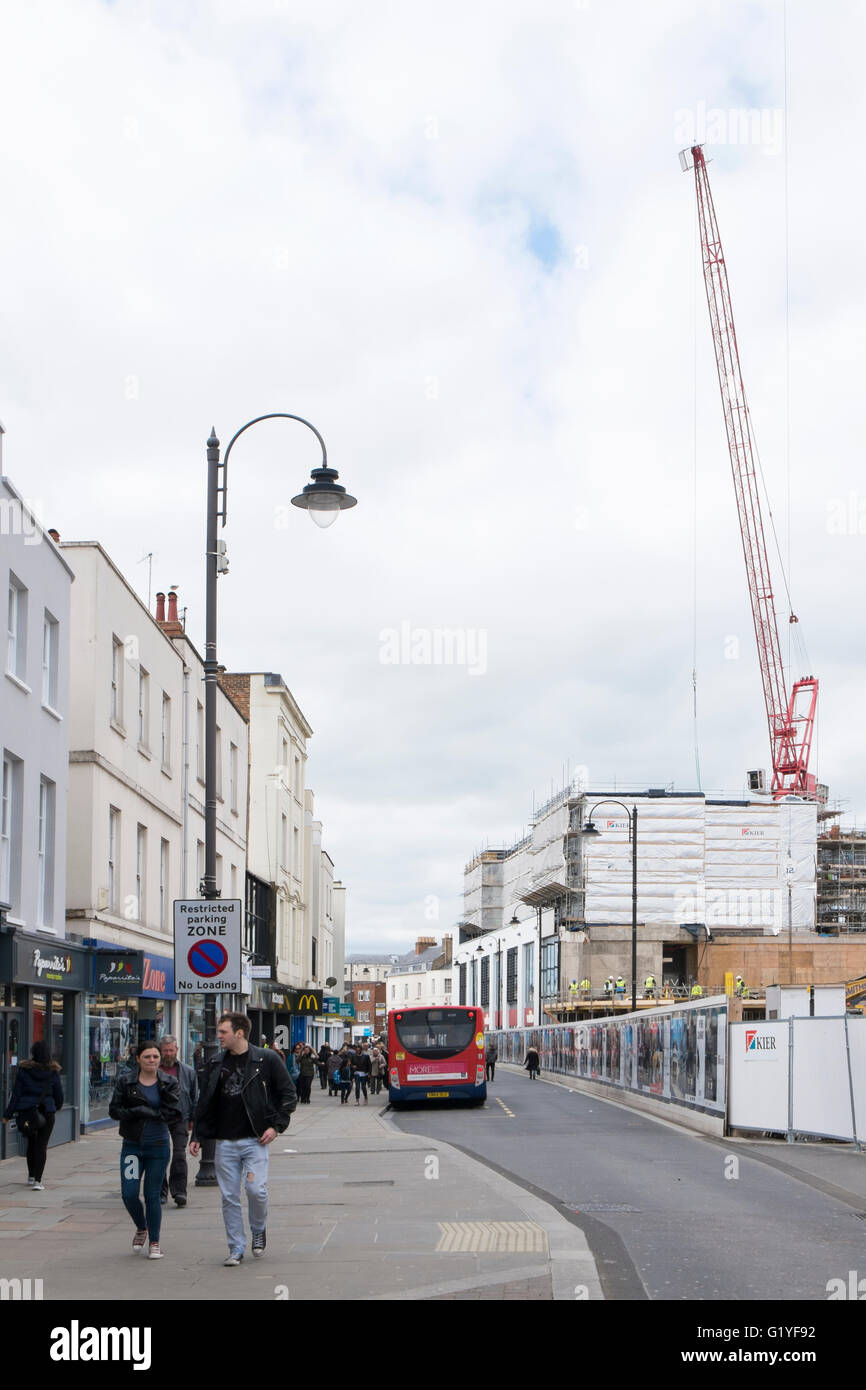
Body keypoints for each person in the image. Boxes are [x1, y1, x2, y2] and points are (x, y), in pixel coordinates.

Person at [190, 1012, 296, 1266]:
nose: (219, 1036)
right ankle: (236, 1247)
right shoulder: (216, 1062)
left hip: (255, 1140)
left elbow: (288, 1093)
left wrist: (277, 1126)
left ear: (239, 1032)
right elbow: (205, 1102)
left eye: (223, 1032)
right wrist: (198, 1135)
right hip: (225, 1142)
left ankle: (258, 1228)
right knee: (229, 1197)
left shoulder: (266, 1058)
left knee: (255, 1190)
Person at [109, 1041, 181, 1259]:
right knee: (129, 1193)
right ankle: (141, 1227)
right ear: (138, 1058)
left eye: (155, 1057)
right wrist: (136, 1111)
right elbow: (114, 1110)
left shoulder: (169, 1082)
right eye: (148, 1057)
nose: (152, 1061)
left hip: (158, 1147)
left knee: (152, 1195)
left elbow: (174, 1112)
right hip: (132, 1146)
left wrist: (148, 1113)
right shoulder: (126, 1081)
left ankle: (155, 1241)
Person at [2, 1040, 64, 1191]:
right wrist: (56, 1107)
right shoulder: (53, 1072)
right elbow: (59, 1095)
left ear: (33, 1053)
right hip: (47, 1114)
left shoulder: (24, 1070)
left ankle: (30, 1176)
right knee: (42, 1146)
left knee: (31, 1143)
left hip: (28, 1114)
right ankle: (38, 1180)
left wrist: (7, 1115)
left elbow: (16, 1094)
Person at [158, 1035, 198, 1207]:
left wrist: (193, 1119)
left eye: (171, 1050)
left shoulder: (188, 1071)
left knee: (179, 1155)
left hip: (180, 1116)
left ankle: (179, 1191)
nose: (168, 1054)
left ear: (177, 1050)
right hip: (157, 1117)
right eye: (165, 1050)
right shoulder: (153, 1069)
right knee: (159, 1156)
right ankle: (160, 1192)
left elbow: (194, 1096)